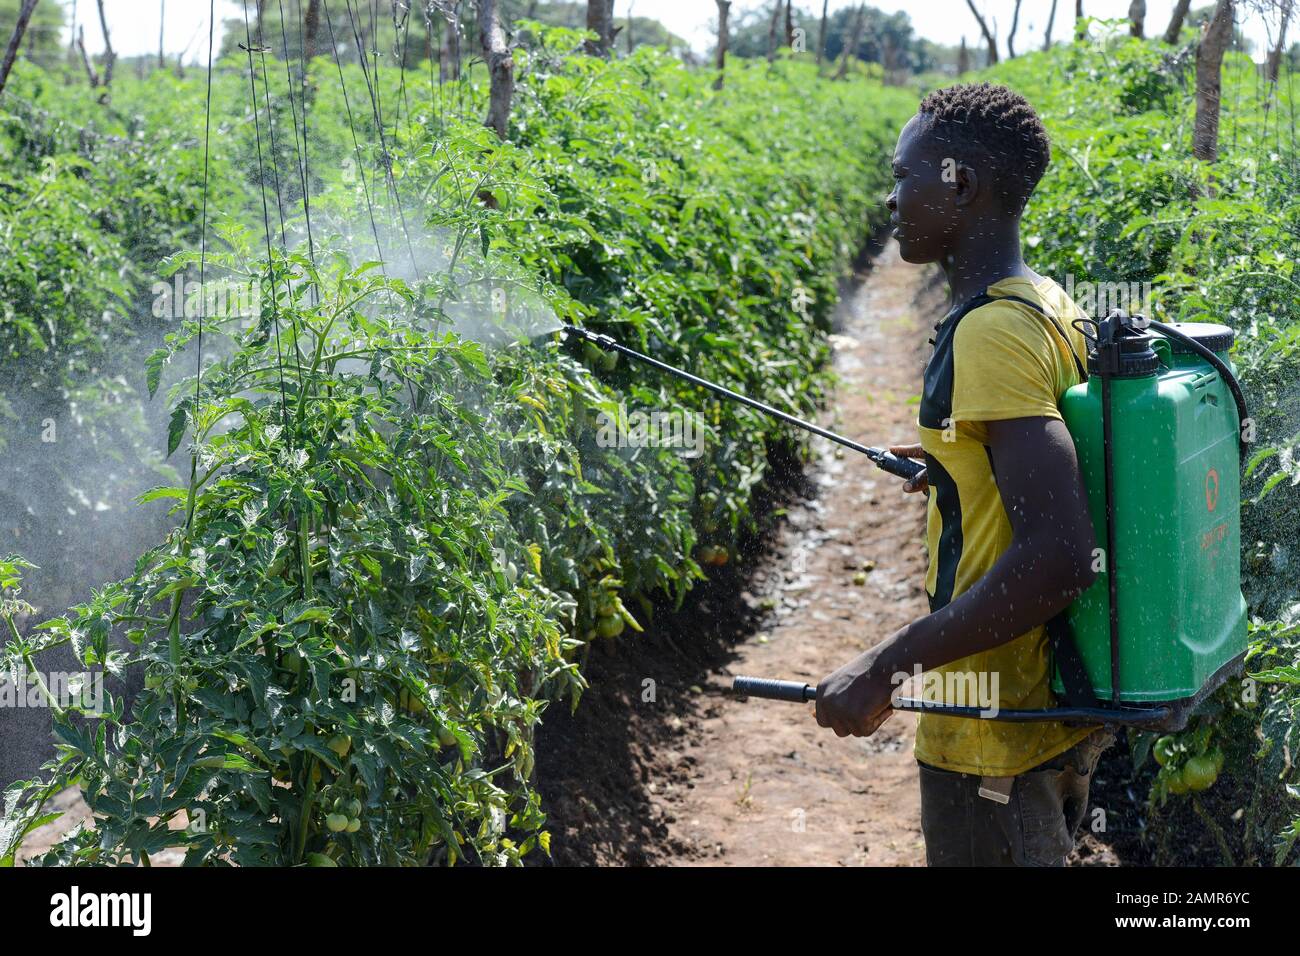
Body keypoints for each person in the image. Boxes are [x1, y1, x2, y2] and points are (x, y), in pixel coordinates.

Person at [814, 82, 1115, 866]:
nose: (890, 199)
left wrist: (884, 666)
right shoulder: (1045, 301)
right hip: (1043, 710)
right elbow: (1043, 478)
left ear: (961, 185)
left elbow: (1057, 556)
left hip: (992, 732)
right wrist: (955, 473)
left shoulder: (992, 334)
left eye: (904, 175)